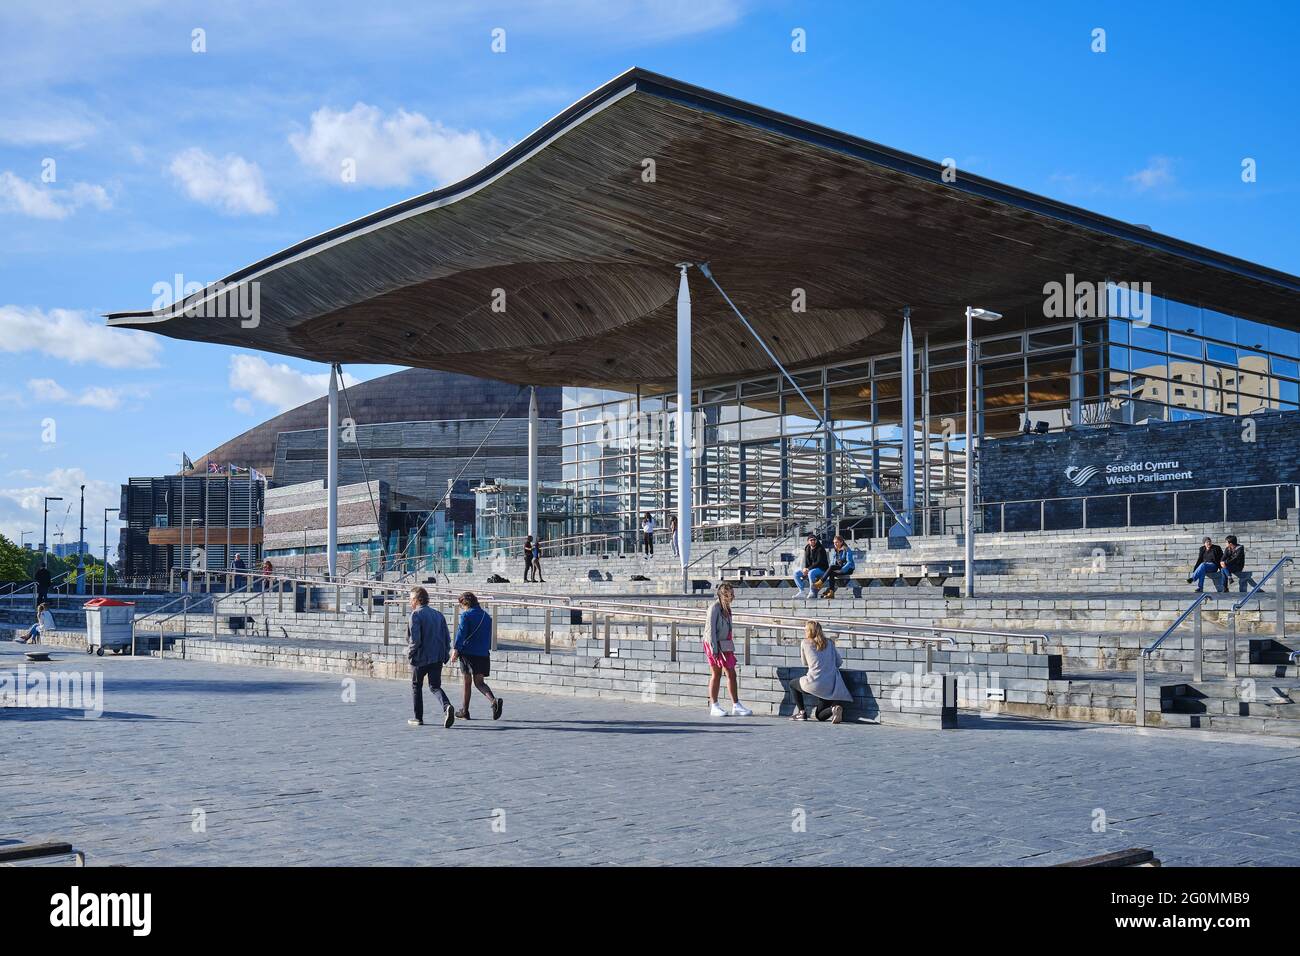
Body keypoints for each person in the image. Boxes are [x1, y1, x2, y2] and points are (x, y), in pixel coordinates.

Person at [406, 587, 455, 728]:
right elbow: (447, 638)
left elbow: (415, 641)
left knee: (416, 686)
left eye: (411, 599)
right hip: (437, 657)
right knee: (435, 686)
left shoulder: (415, 615)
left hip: (420, 658)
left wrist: (410, 655)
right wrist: (444, 654)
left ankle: (418, 717)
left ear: (417, 600)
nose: (410, 602)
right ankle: (446, 706)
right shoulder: (438, 615)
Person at [450, 591, 503, 720]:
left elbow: (461, 633)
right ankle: (493, 700)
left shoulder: (466, 615)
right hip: (483, 654)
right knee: (479, 683)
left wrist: (456, 650)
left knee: (467, 683)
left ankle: (465, 711)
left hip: (468, 653)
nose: (462, 608)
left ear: (465, 604)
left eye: (462, 605)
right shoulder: (486, 616)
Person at [704, 582, 754, 717]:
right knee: (717, 674)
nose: (733, 596)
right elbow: (710, 631)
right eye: (730, 593)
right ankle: (714, 705)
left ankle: (736, 705)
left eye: (732, 593)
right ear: (723, 594)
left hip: (725, 644)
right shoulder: (714, 608)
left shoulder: (727, 609)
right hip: (713, 644)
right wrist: (714, 650)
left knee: (732, 674)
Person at [788, 621, 851, 722]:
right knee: (819, 716)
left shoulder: (805, 643)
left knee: (792, 684)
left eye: (805, 630)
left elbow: (805, 663)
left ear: (809, 631)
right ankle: (833, 709)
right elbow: (839, 662)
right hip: (830, 686)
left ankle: (802, 713)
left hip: (813, 683)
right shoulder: (830, 642)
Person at [792, 534, 829, 599]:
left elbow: (818, 562)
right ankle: (802, 591)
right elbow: (807, 560)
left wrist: (808, 569)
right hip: (811, 569)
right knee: (796, 573)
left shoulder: (820, 548)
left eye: (814, 540)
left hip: (822, 569)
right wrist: (805, 569)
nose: (813, 541)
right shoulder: (807, 548)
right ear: (808, 541)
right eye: (811, 540)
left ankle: (812, 591)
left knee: (811, 572)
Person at [821, 535, 856, 599]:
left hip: (848, 568)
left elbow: (849, 562)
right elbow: (833, 562)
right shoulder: (835, 550)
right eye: (834, 542)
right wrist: (831, 570)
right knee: (831, 573)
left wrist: (842, 570)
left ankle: (821, 582)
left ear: (841, 542)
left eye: (837, 542)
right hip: (839, 567)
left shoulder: (847, 549)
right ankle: (831, 593)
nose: (835, 544)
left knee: (831, 567)